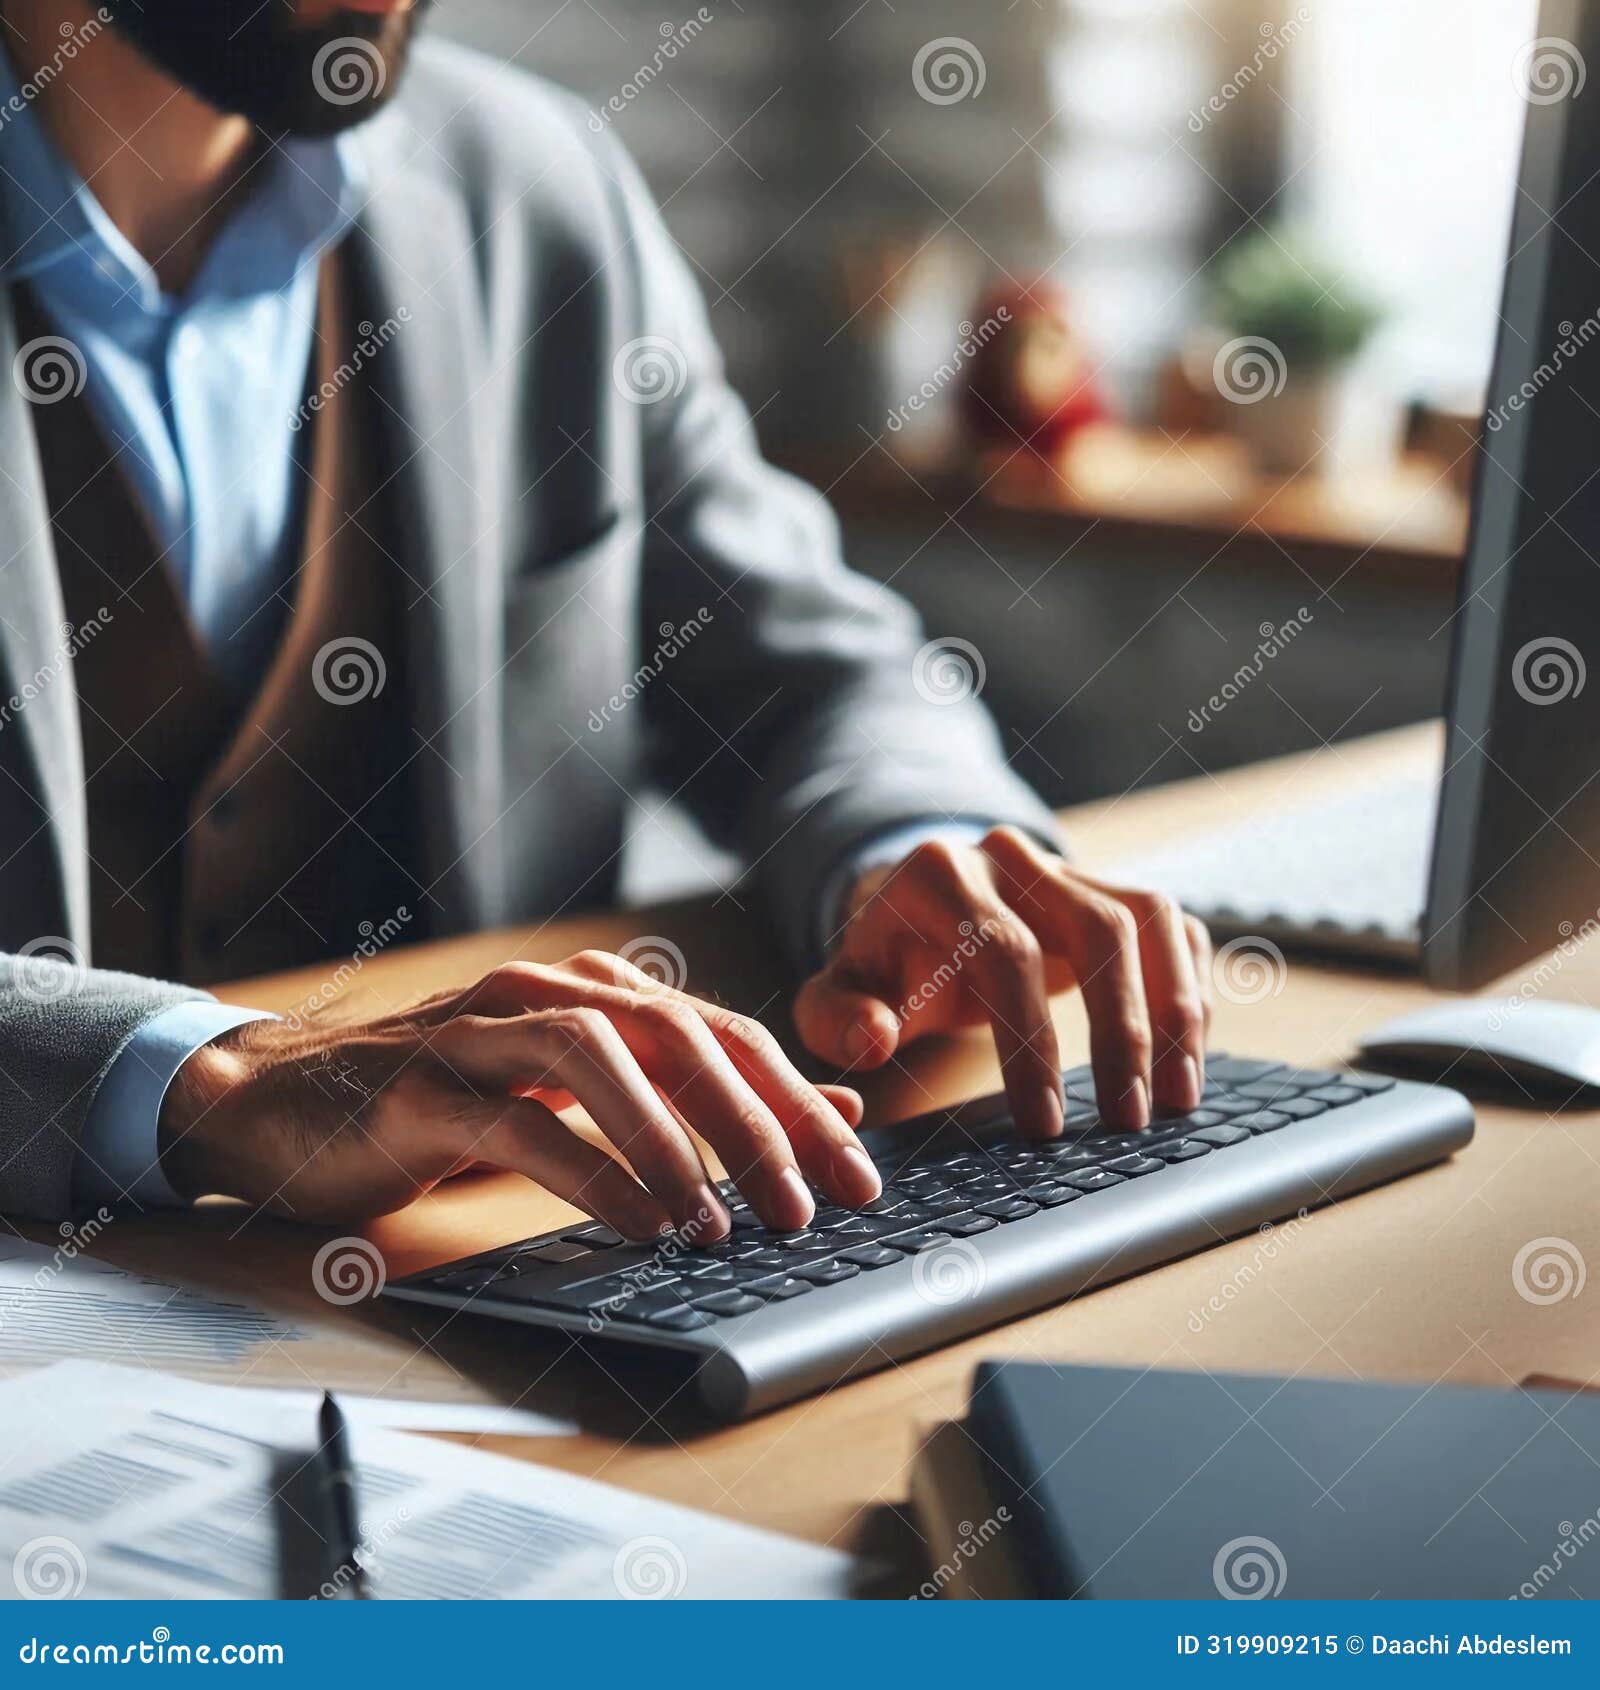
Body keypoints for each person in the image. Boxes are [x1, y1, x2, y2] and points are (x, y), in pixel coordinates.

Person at [0, 0, 1211, 1239]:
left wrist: (904, 846)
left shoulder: (535, 183)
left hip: (490, 1281)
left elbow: (798, 658)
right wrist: (196, 1080)